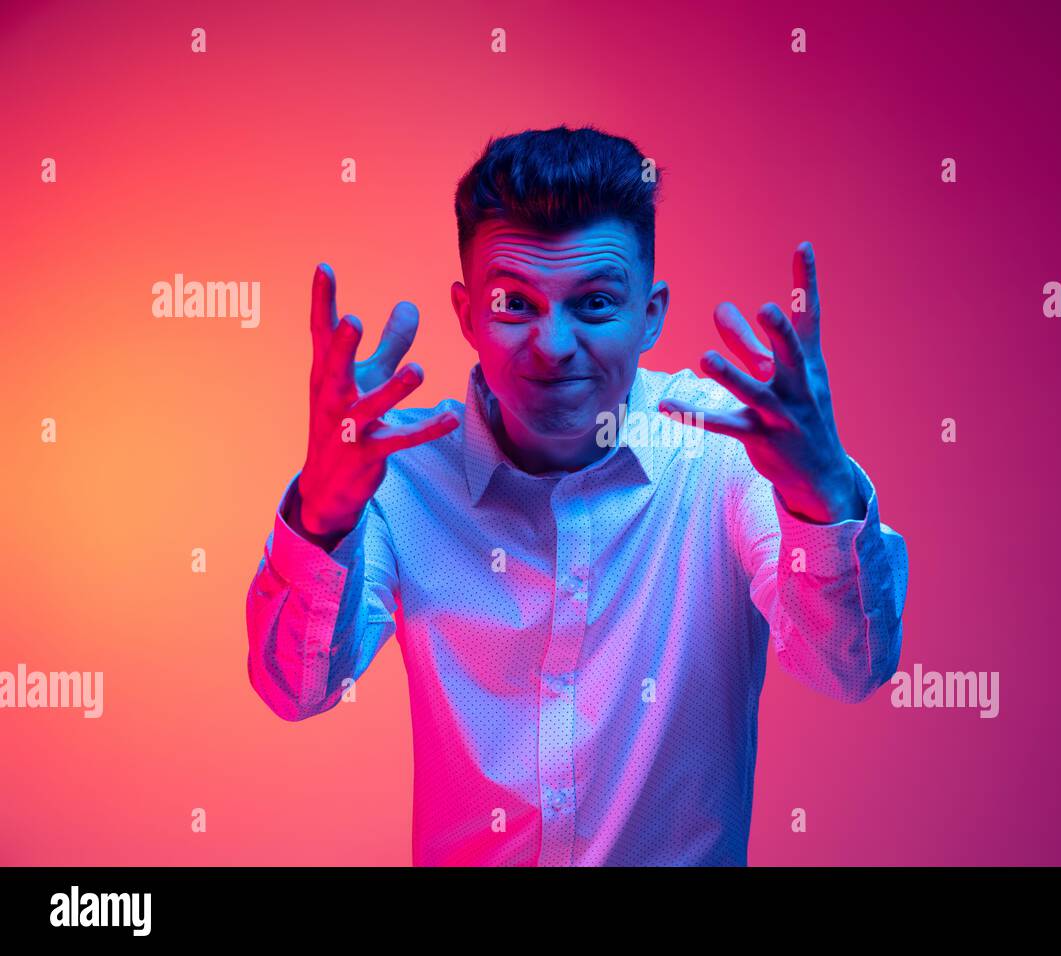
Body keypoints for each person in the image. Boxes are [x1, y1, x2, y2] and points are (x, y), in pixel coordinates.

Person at [245, 124, 908, 865]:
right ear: (468, 316)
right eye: (515, 304)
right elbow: (293, 689)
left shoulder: (724, 451)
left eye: (593, 303)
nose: (553, 345)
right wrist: (321, 515)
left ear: (649, 314)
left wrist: (821, 495)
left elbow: (848, 666)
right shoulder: (400, 472)